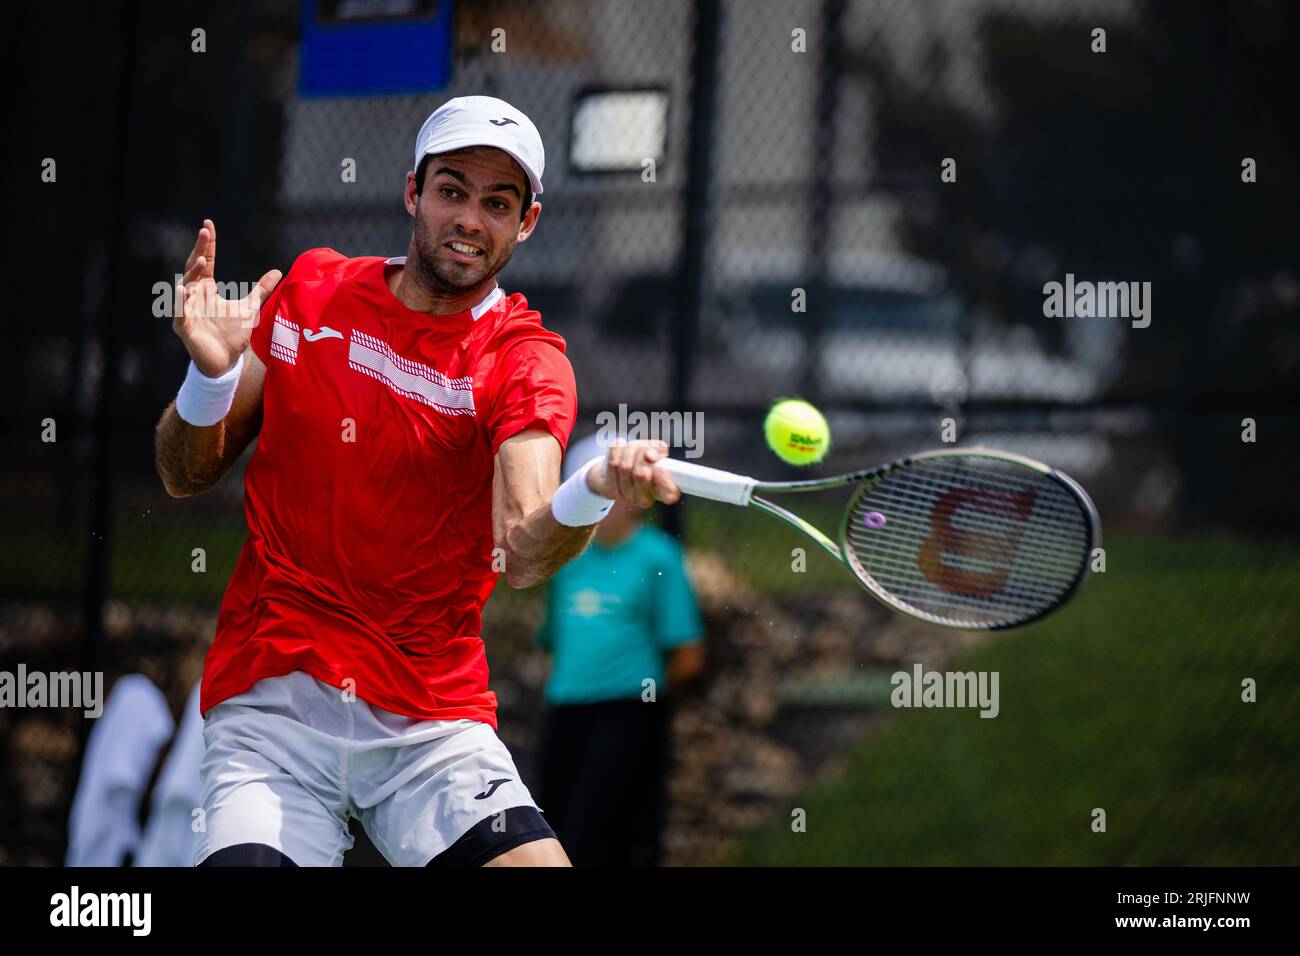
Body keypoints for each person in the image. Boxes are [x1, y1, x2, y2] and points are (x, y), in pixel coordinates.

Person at [153, 95, 681, 867]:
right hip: (274, 704)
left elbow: (527, 551)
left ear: (526, 222)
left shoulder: (526, 360)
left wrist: (594, 485)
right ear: (413, 193)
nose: (470, 217)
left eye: (498, 203)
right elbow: (184, 474)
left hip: (429, 726)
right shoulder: (312, 293)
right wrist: (210, 376)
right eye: (453, 190)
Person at [534, 432, 705, 866]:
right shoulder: (564, 558)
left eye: (609, 487)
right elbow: (555, 642)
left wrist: (638, 706)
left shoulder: (658, 556)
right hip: (565, 716)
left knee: (608, 840)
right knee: (550, 836)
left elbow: (687, 655)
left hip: (627, 717)